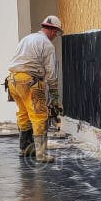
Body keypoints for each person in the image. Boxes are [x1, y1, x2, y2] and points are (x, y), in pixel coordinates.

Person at [6, 15, 62, 162]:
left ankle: (24, 148)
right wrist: (55, 95)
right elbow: (51, 73)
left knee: (24, 113)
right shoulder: (47, 45)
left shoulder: (27, 38)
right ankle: (41, 154)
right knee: (40, 116)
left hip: (13, 80)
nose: (55, 35)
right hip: (30, 82)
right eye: (56, 32)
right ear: (52, 30)